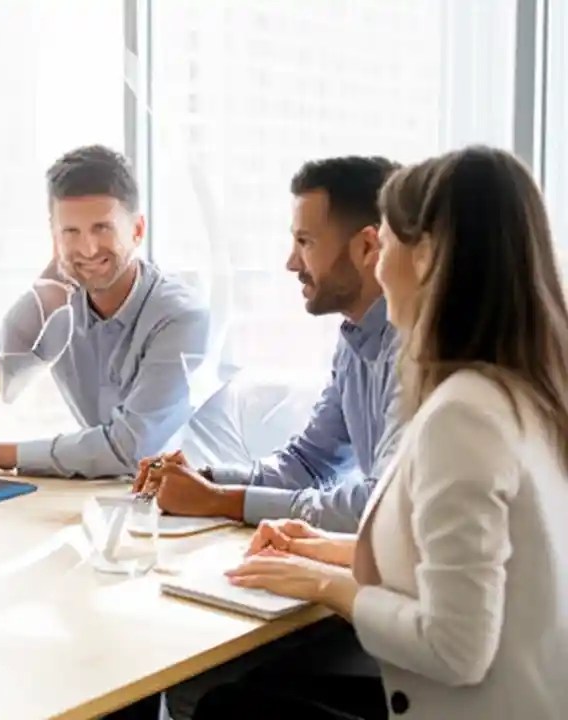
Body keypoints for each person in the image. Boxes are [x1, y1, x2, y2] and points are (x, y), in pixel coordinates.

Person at [198, 146, 568, 719]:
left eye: (388, 242)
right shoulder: (526, 391)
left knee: (228, 708)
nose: (378, 263)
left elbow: (454, 649)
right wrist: (320, 548)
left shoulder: (463, 414)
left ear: (426, 258)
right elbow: (468, 567)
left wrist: (324, 584)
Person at [0, 145, 213, 478]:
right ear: (54, 235)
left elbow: (130, 449)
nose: (88, 249)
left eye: (102, 228)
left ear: (137, 230)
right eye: (71, 232)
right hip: (114, 495)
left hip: (195, 498)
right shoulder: (58, 298)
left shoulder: (181, 316)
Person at [136, 156, 401, 533]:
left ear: (366, 246)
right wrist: (204, 479)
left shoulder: (420, 353)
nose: (292, 263)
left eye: (305, 242)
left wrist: (220, 500)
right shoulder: (354, 343)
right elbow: (309, 464)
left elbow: (381, 508)